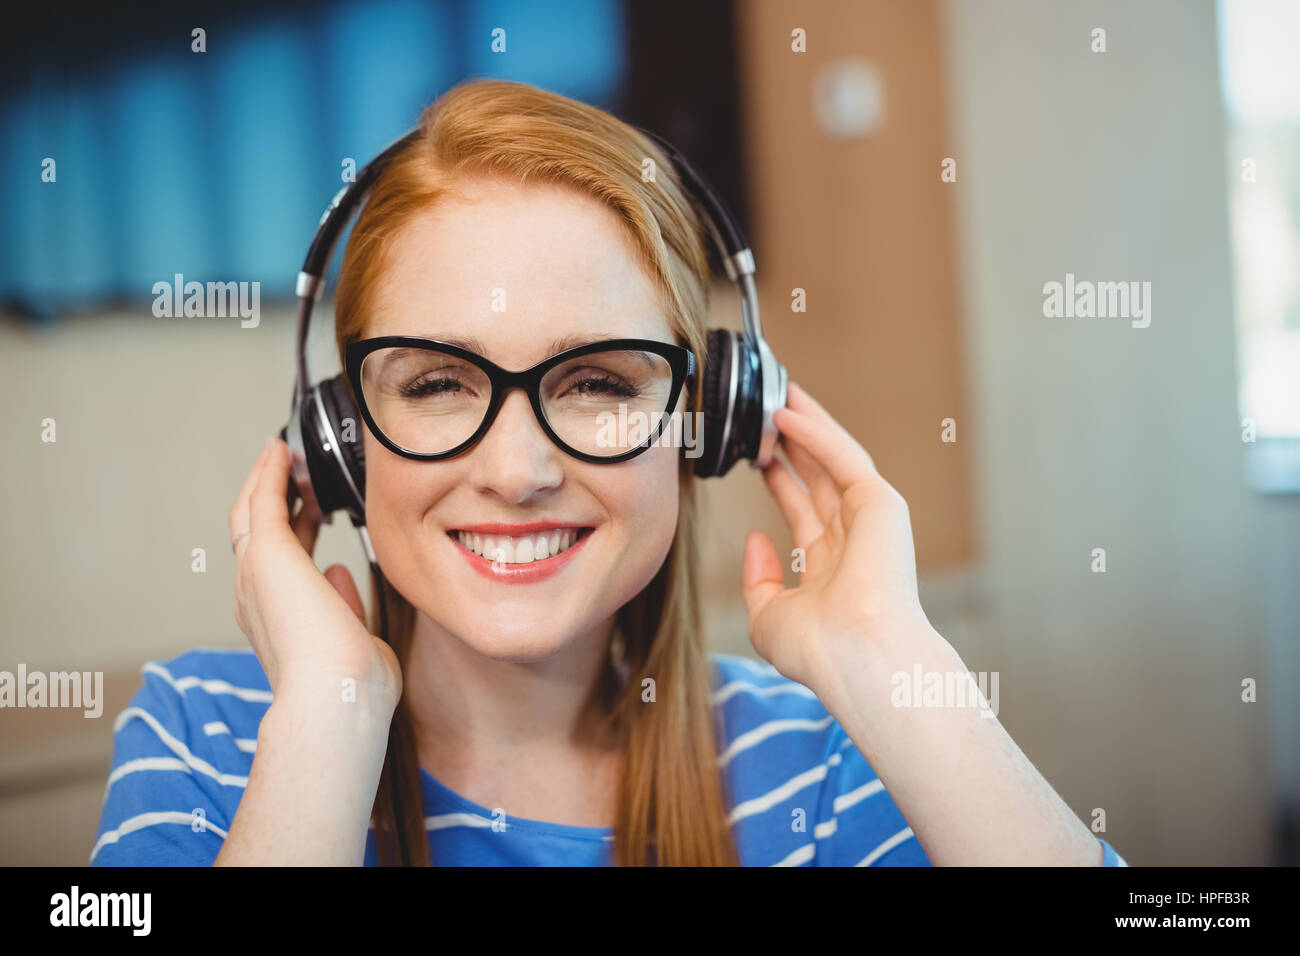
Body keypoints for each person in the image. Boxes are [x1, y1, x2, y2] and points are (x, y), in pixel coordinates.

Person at [91, 78, 1126, 867]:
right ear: (340, 433)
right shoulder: (205, 736)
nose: (518, 467)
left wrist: (894, 666)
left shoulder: (819, 761)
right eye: (439, 381)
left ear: (708, 420)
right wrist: (332, 711)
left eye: (595, 381)